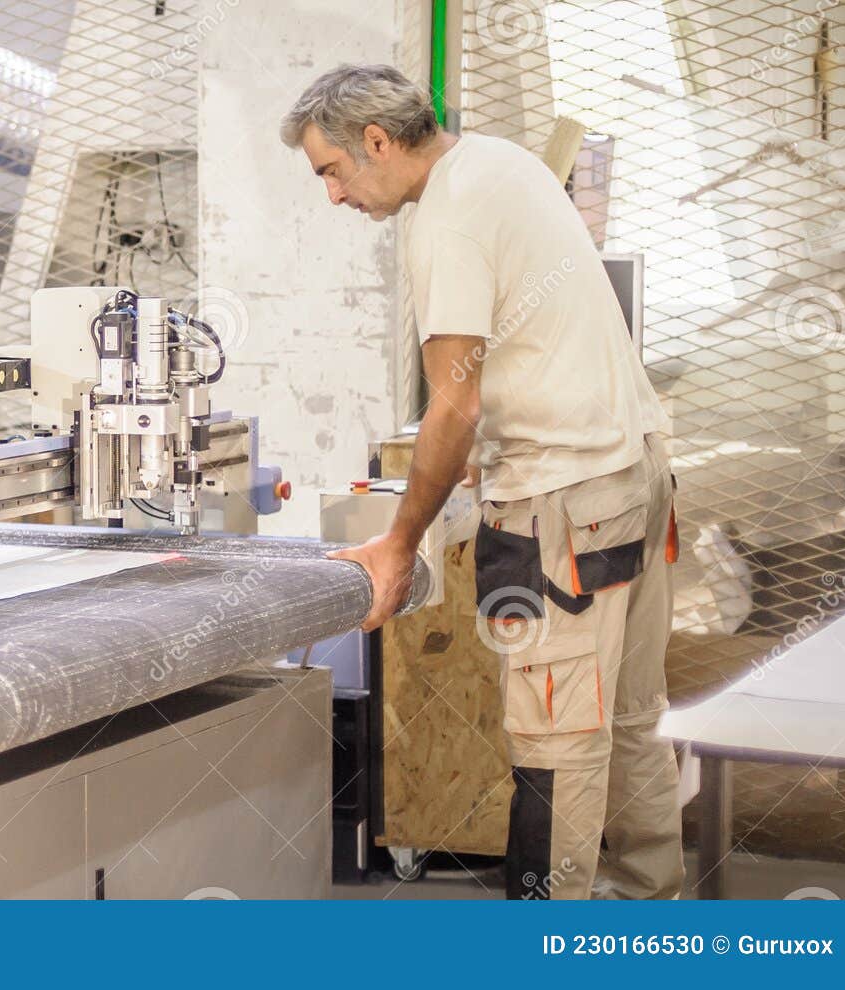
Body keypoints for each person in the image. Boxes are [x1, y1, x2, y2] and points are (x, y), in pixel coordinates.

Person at [279, 64, 683, 899]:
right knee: (632, 715)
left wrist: (397, 545)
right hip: (634, 473)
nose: (332, 195)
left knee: (555, 735)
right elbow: (525, 343)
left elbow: (452, 402)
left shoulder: (447, 221)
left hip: (563, 501)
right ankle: (652, 905)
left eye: (331, 170)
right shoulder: (503, 162)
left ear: (379, 142)